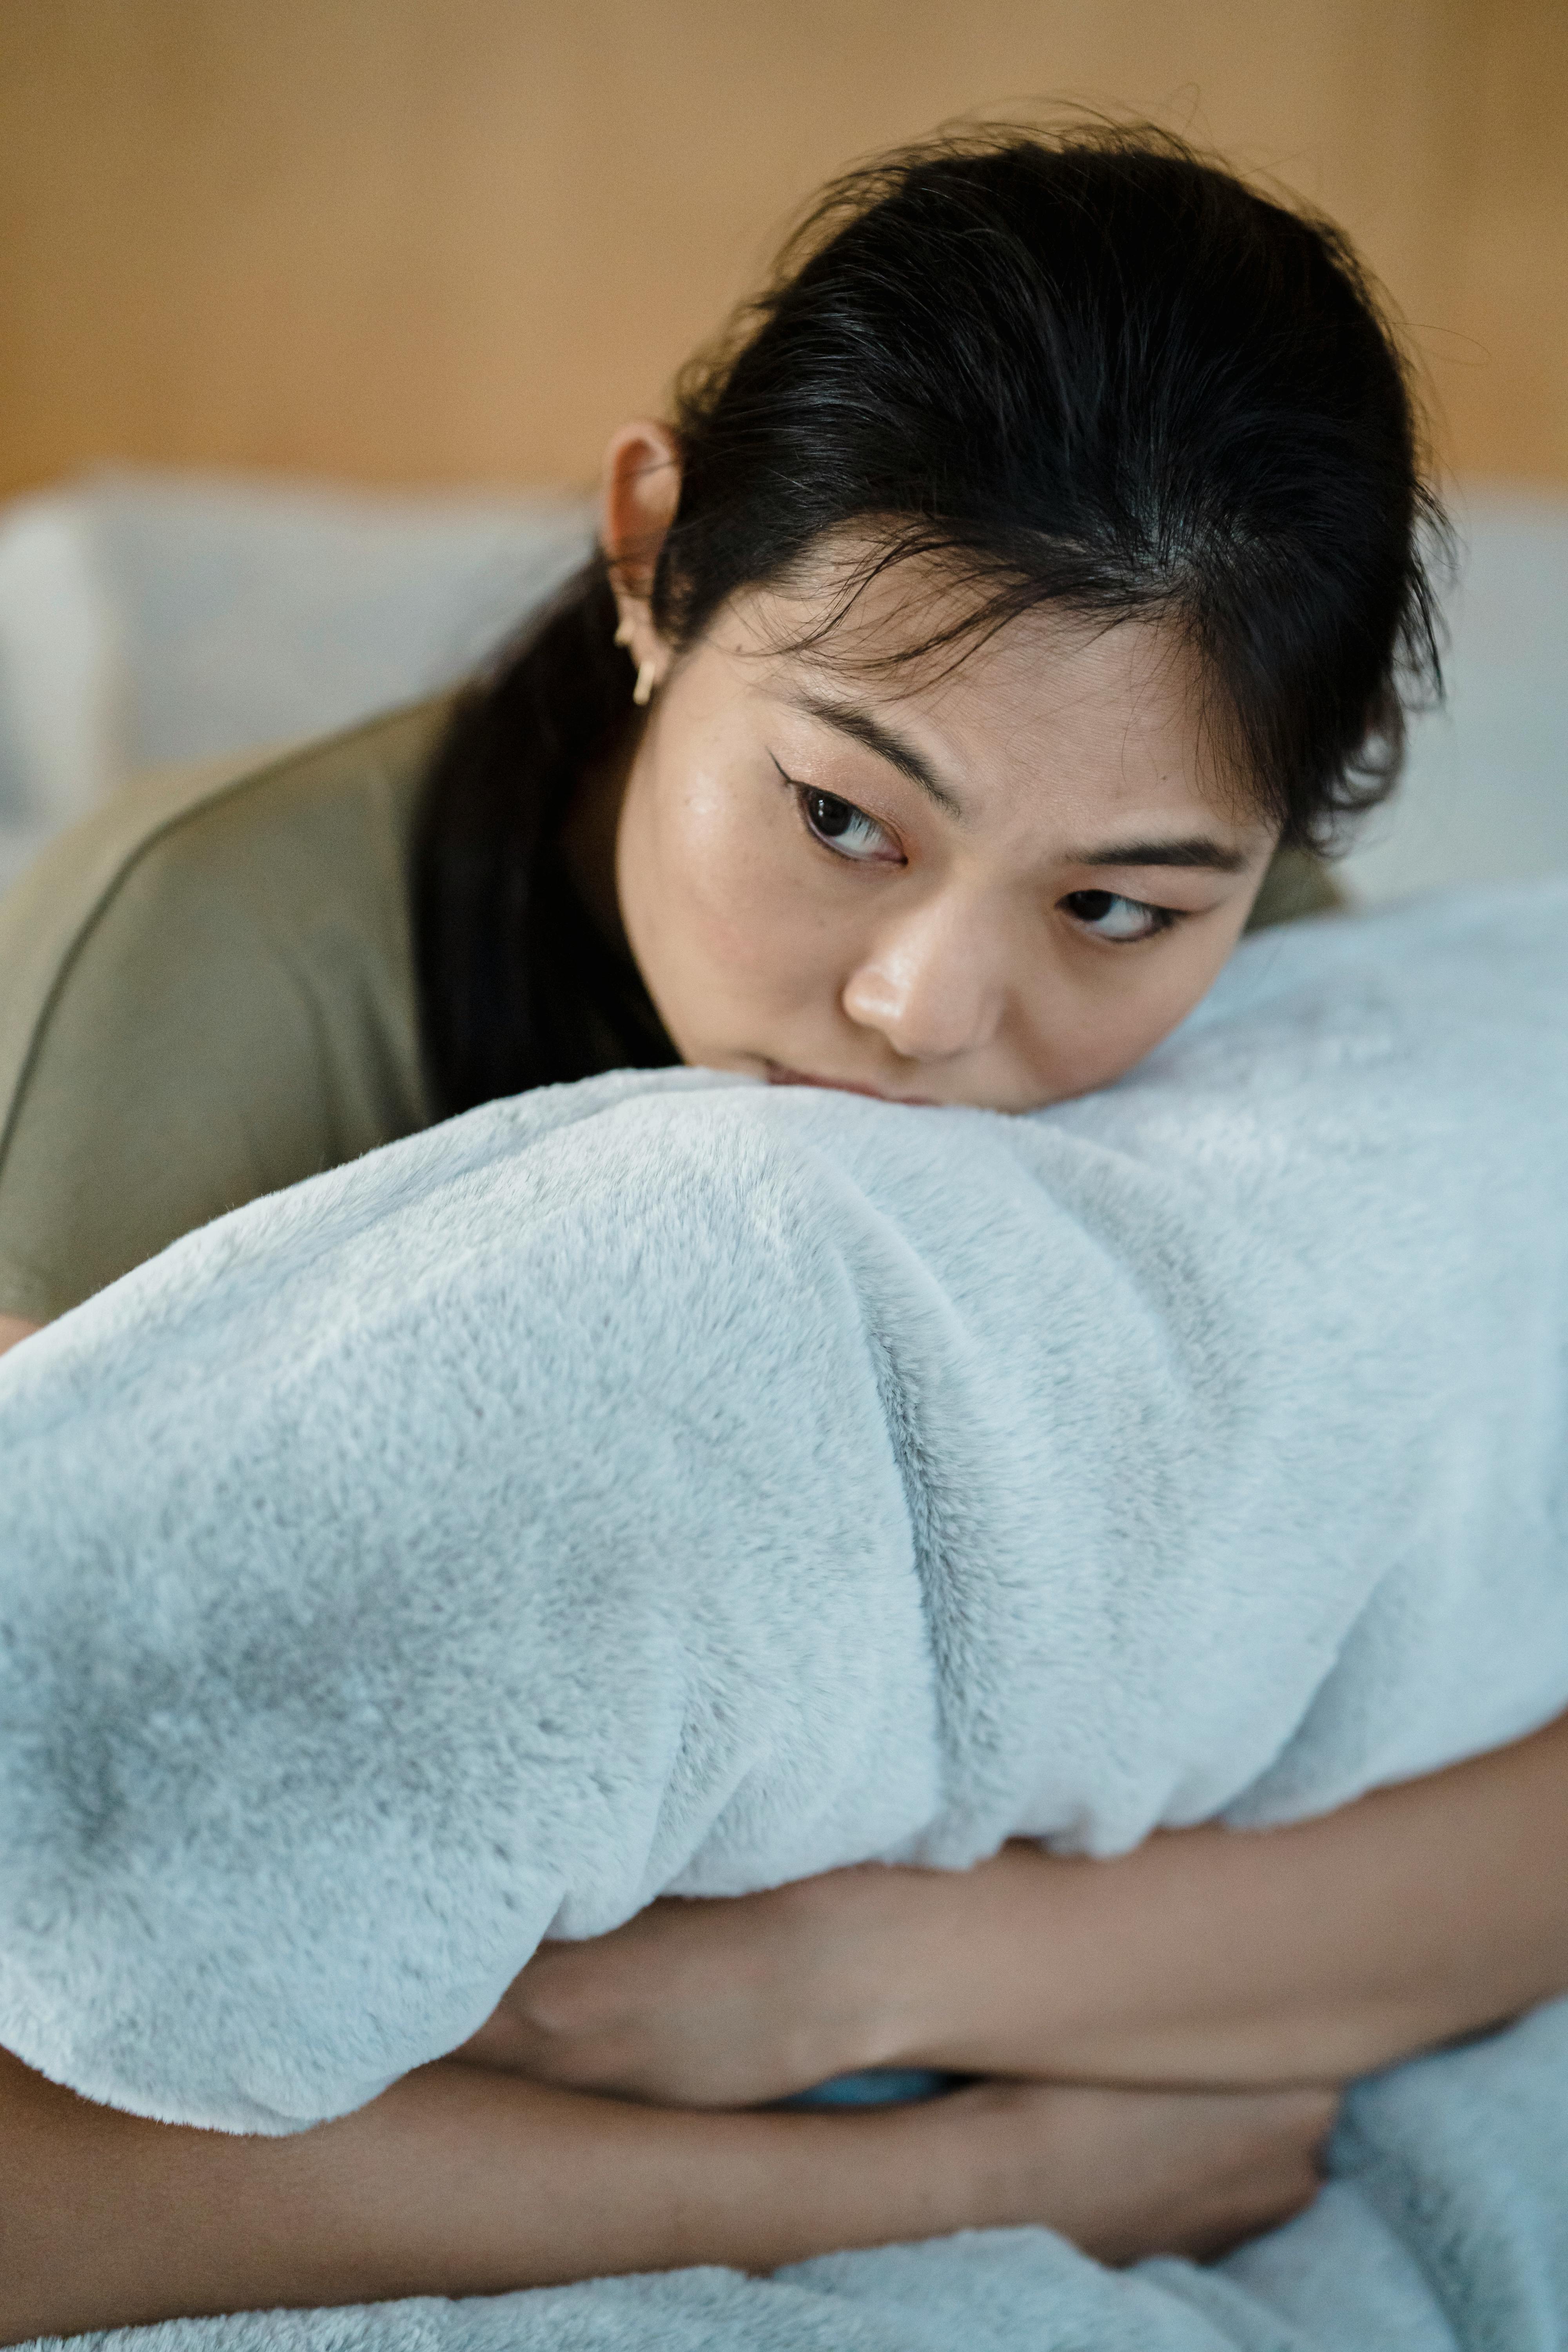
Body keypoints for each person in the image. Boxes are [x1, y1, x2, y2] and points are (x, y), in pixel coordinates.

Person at [4, 125, 1568, 2344]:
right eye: (842, 815)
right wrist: (983, 2171)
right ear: (652, 554)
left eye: (1115, 904)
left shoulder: (1261, 961)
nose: (928, 1011)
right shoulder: (190, 991)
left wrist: (848, 1976)